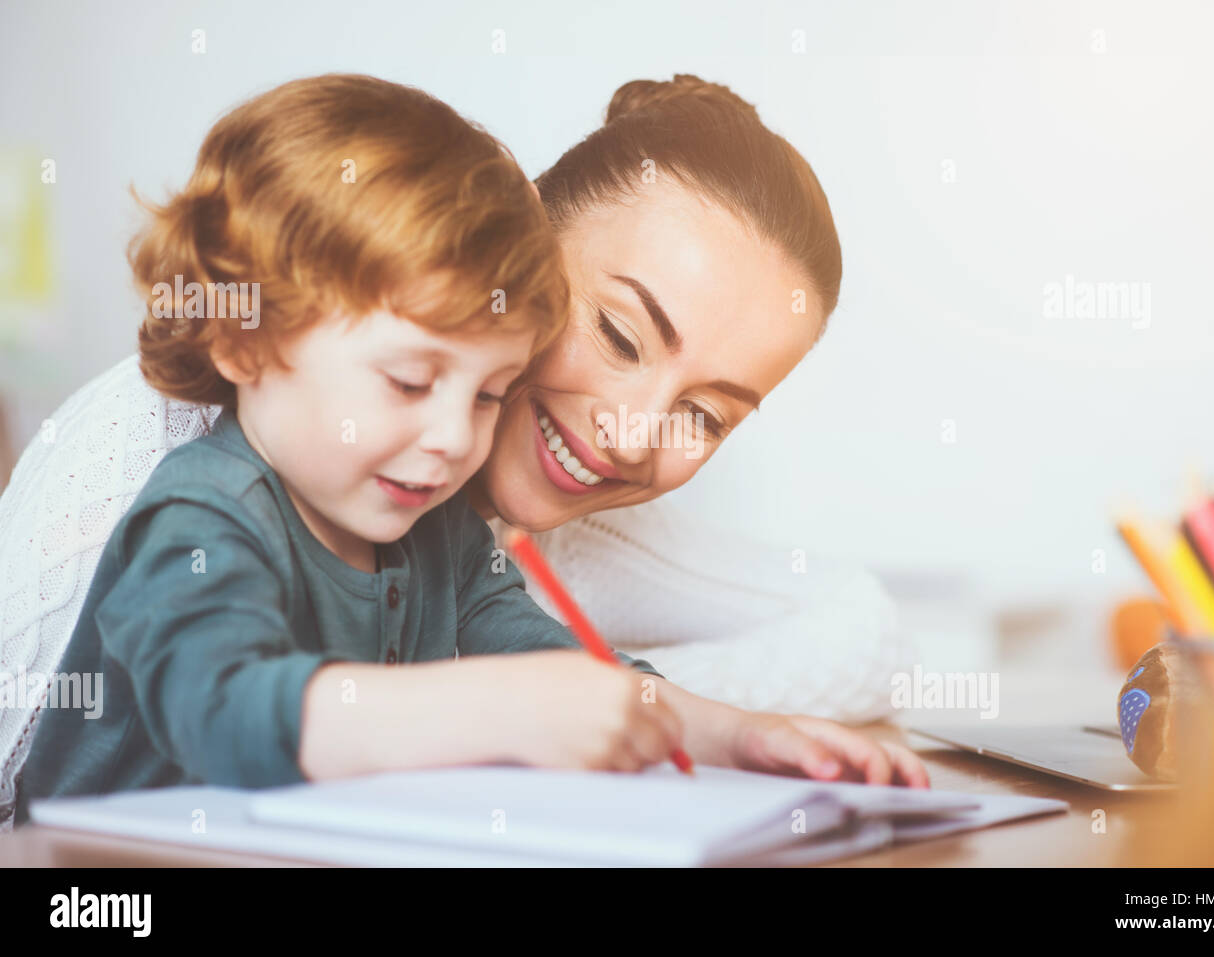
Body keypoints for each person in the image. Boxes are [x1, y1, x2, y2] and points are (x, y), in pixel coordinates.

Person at [0, 73, 927, 830]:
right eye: (409, 383)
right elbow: (225, 710)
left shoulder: (432, 521)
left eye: (487, 393)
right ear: (245, 344)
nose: (452, 437)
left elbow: (550, 660)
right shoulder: (195, 511)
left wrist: (733, 735)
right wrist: (493, 712)